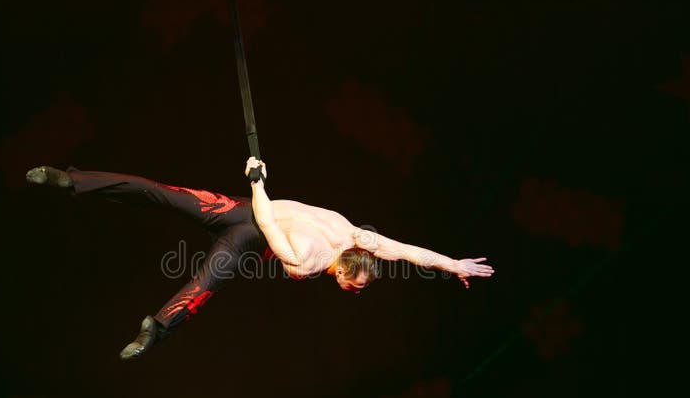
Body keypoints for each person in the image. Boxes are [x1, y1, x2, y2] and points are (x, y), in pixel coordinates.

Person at [25, 157, 494, 360]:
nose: (353, 292)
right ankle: (159, 329)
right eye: (355, 286)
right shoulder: (311, 261)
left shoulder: (354, 234)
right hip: (248, 227)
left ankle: (74, 180)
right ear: (347, 270)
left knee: (158, 192)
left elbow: (407, 252)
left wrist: (454, 264)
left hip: (235, 208)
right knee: (205, 284)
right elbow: (267, 224)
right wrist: (257, 181)